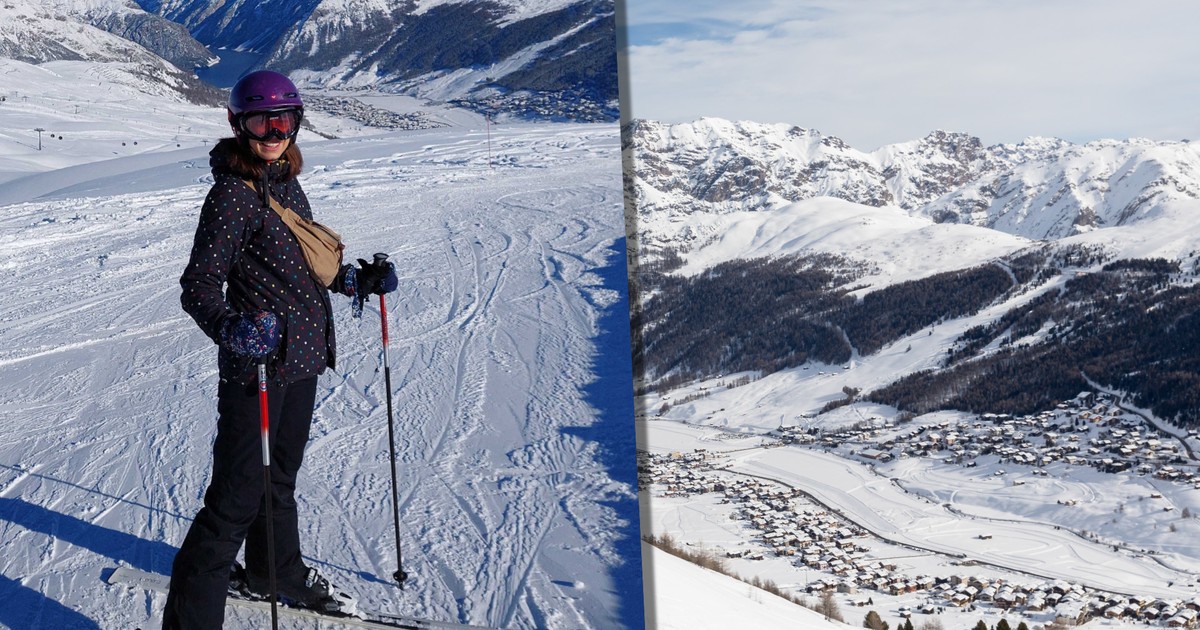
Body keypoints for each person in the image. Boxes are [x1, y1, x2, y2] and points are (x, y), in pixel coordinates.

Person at [163, 70, 397, 630]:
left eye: (285, 120)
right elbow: (198, 286)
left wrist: (352, 282)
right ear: (236, 123)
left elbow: (300, 265)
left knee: (280, 481)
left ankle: (275, 573)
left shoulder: (285, 181)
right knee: (232, 505)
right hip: (259, 371)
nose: (273, 132)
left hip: (302, 361)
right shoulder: (230, 198)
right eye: (261, 121)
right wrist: (232, 328)